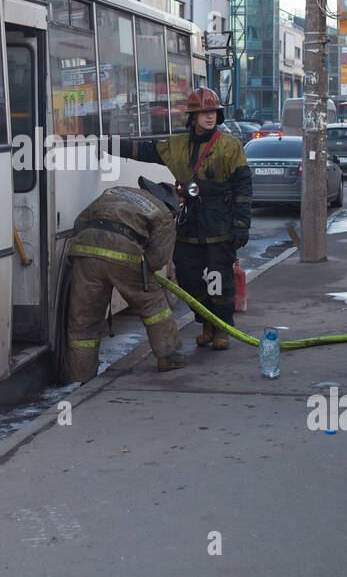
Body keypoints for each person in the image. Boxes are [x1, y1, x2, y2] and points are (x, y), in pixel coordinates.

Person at [117, 87, 252, 349]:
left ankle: (221, 329)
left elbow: (243, 189)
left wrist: (241, 224)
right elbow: (143, 150)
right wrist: (106, 144)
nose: (209, 117)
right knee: (188, 276)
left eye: (212, 111)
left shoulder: (230, 146)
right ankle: (206, 322)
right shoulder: (177, 145)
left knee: (217, 279)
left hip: (219, 225)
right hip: (190, 223)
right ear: (193, 116)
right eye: (203, 112)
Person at [65, 179, 190, 379]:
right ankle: (168, 356)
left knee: (84, 319)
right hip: (125, 254)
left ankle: (82, 376)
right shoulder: (163, 214)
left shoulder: (116, 191)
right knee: (153, 306)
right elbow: (158, 259)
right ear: (171, 203)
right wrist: (141, 270)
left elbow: (81, 221)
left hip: (85, 251)